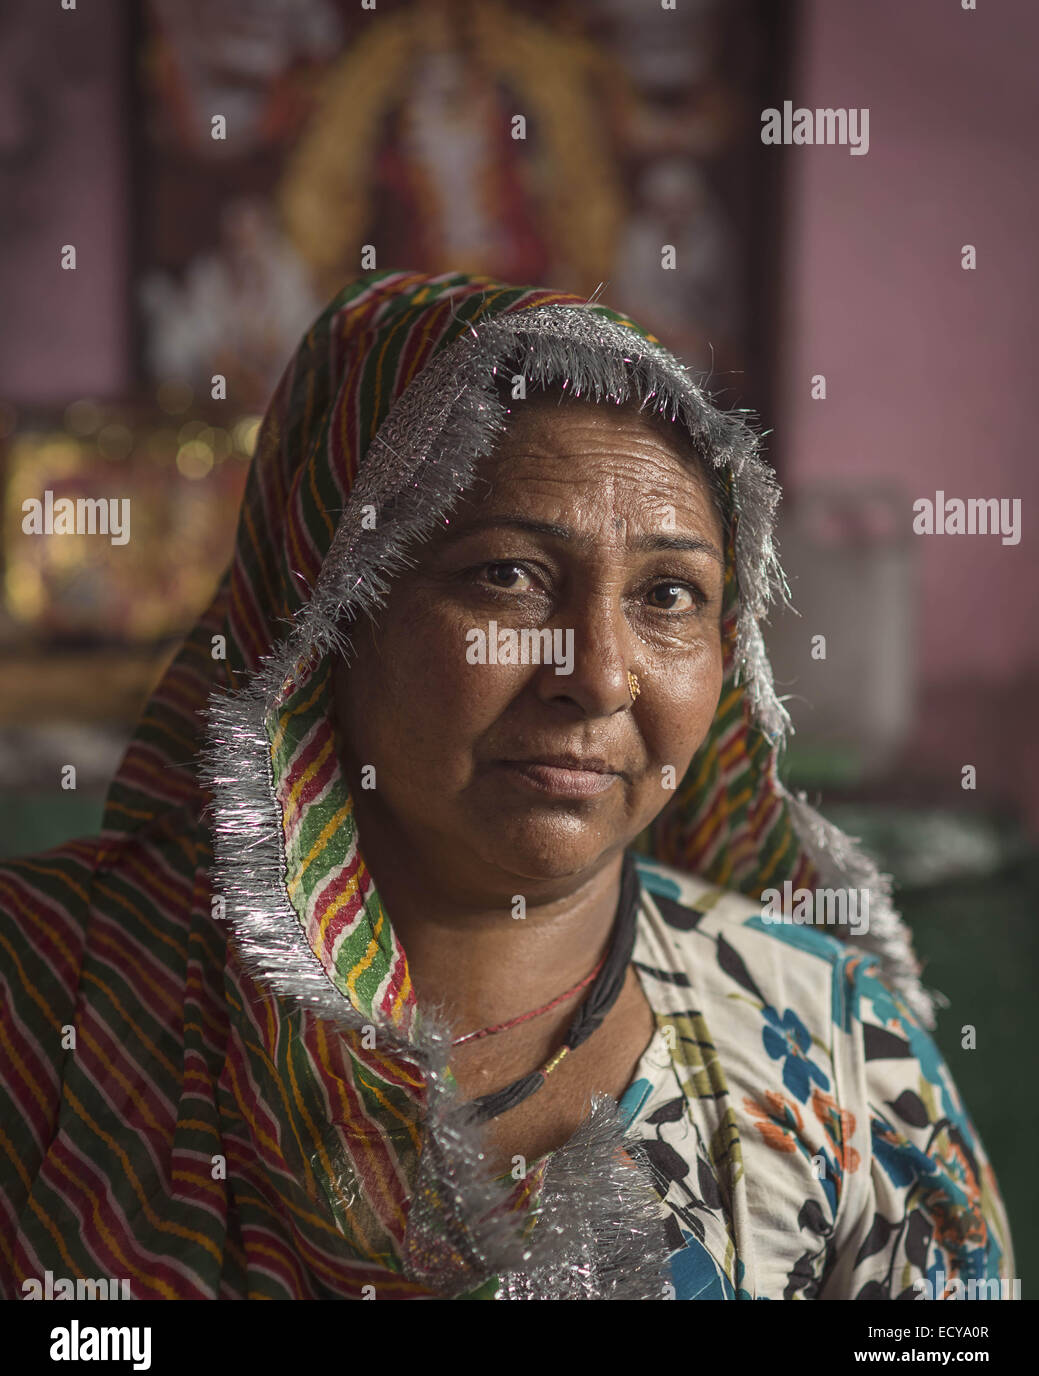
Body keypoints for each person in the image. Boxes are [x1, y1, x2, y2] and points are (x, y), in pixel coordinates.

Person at [0, 269, 1014, 1300]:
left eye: (668, 593)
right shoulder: (45, 994)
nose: (601, 675)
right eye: (508, 575)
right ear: (329, 611)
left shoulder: (840, 1055)